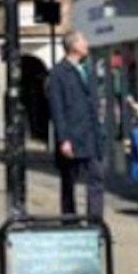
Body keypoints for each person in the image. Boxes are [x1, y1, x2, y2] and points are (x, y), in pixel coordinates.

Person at [47, 30, 104, 222]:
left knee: (96, 179)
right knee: (68, 183)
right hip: (71, 137)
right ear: (74, 46)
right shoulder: (58, 73)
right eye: (84, 41)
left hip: (90, 136)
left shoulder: (85, 69)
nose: (87, 44)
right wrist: (63, 139)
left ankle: (95, 224)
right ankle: (69, 222)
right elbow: (57, 109)